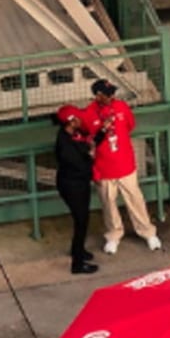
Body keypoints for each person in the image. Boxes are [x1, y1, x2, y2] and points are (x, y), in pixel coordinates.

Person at [85, 80, 160, 257]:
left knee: (135, 199)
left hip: (125, 164)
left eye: (112, 93)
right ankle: (114, 235)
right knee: (108, 203)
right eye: (107, 94)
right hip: (103, 168)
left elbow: (129, 125)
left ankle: (148, 232)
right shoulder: (89, 114)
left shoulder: (121, 107)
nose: (112, 96)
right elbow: (89, 140)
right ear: (98, 96)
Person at [51, 107, 101, 275]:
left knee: (83, 219)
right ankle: (77, 264)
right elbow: (81, 165)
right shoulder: (65, 145)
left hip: (78, 183)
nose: (81, 121)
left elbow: (89, 142)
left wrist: (102, 132)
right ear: (71, 122)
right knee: (81, 221)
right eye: (78, 119)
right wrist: (91, 157)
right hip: (72, 185)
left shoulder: (72, 134)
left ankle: (77, 250)